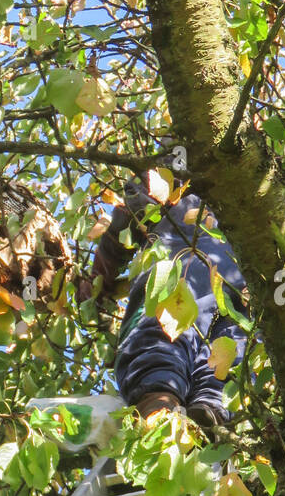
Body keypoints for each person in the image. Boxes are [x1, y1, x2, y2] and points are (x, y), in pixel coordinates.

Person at [78, 173, 248, 426]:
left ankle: (158, 401)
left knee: (162, 328)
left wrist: (96, 285)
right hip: (240, 285)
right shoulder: (253, 191)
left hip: (179, 266)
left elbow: (122, 226)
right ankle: (212, 408)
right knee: (228, 345)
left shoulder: (162, 176)